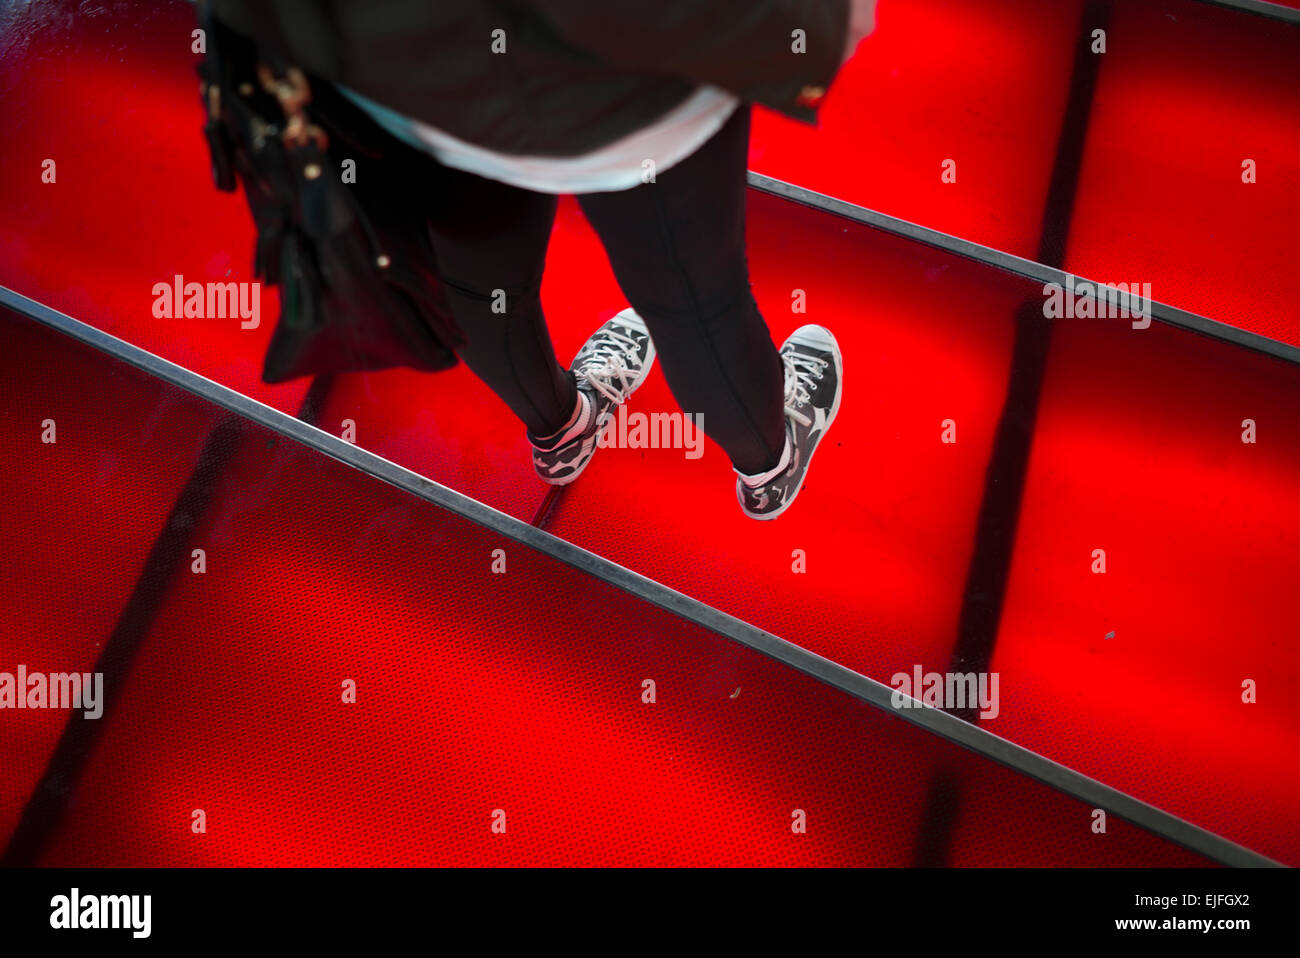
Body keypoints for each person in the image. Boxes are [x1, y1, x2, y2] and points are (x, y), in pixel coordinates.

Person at [211, 0, 878, 518]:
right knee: (695, 302)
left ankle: (563, 431)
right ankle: (768, 467)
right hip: (628, 91)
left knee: (475, 283)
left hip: (407, 80)